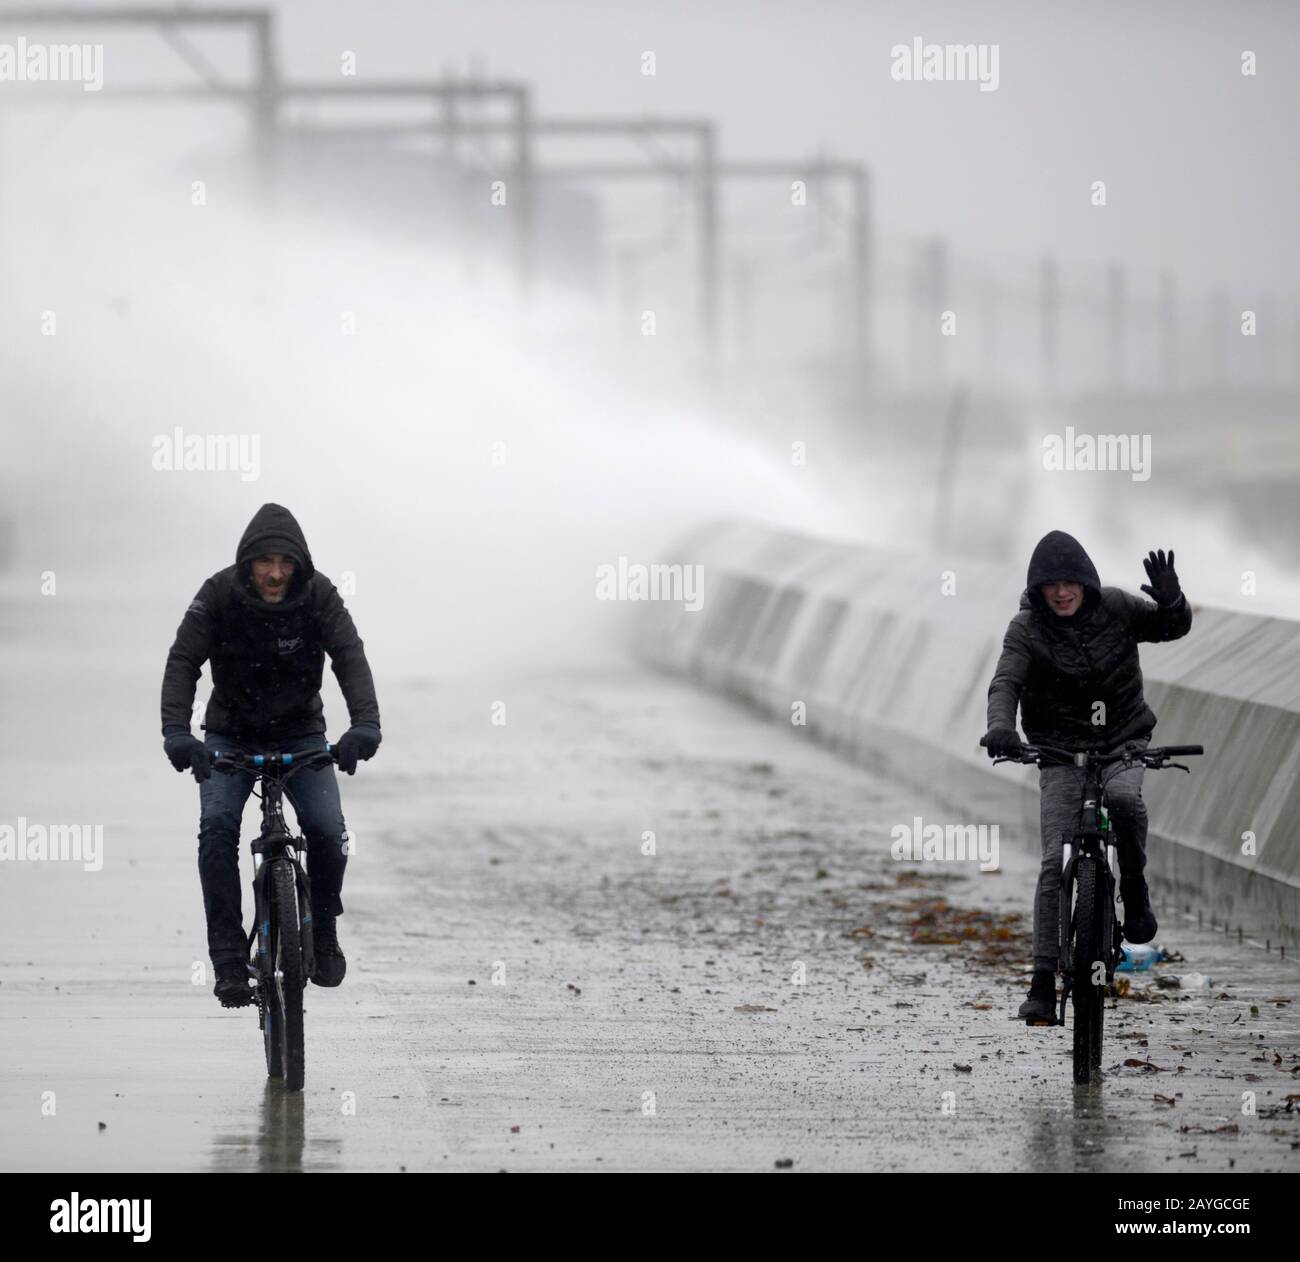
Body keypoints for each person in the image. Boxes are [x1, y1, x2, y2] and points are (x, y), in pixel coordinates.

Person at [160, 503, 381, 1007]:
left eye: (286, 562)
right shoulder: (216, 595)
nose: (276, 573)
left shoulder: (320, 594)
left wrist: (365, 724)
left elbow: (350, 656)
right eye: (265, 562)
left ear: (299, 564)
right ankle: (228, 960)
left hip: (301, 736)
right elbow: (183, 662)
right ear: (247, 564)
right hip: (230, 737)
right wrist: (177, 732)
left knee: (328, 829)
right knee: (217, 828)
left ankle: (322, 927)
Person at [983, 531, 1192, 1022]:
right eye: (1050, 584)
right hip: (1058, 749)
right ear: (1038, 589)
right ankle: (1040, 980)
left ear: (1086, 583)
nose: (1061, 592)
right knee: (1054, 860)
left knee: (1123, 801)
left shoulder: (1117, 607)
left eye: (1069, 582)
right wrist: (1000, 727)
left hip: (1123, 739)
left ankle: (1134, 891)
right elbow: (1006, 681)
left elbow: (1170, 627)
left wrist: (1173, 598)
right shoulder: (1026, 628)